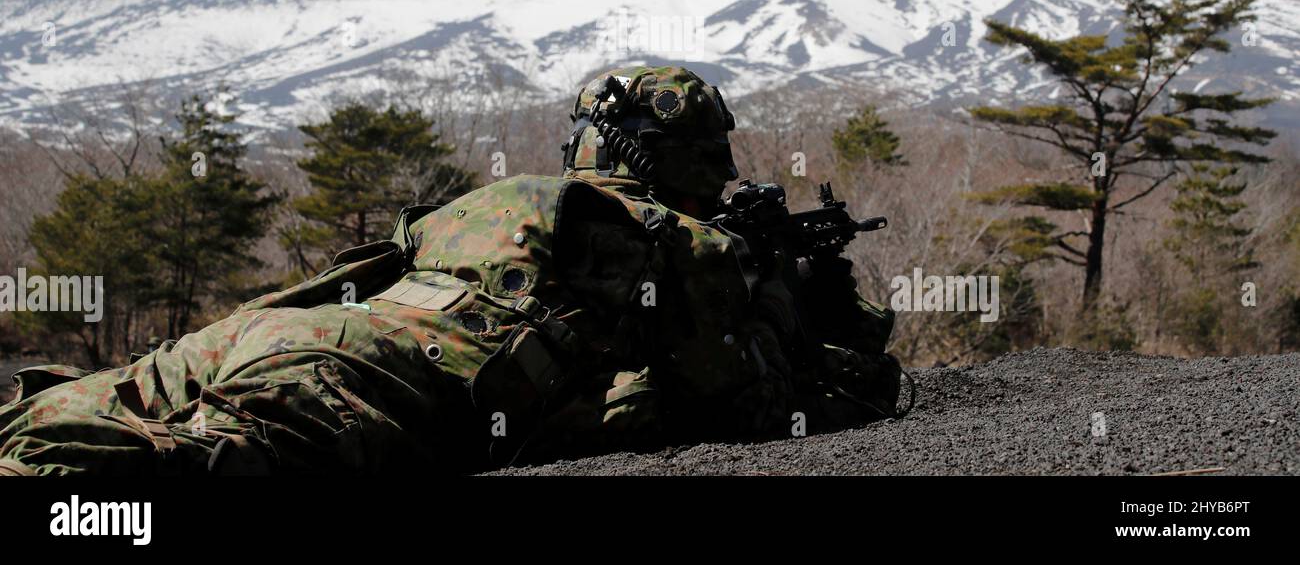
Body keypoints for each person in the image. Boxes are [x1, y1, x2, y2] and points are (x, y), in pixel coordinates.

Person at [0, 66, 904, 475]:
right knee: (129, 483)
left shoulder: (503, 198)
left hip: (283, 331)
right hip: (381, 382)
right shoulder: (680, 238)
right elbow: (741, 409)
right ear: (681, 159)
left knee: (60, 408)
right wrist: (816, 323)